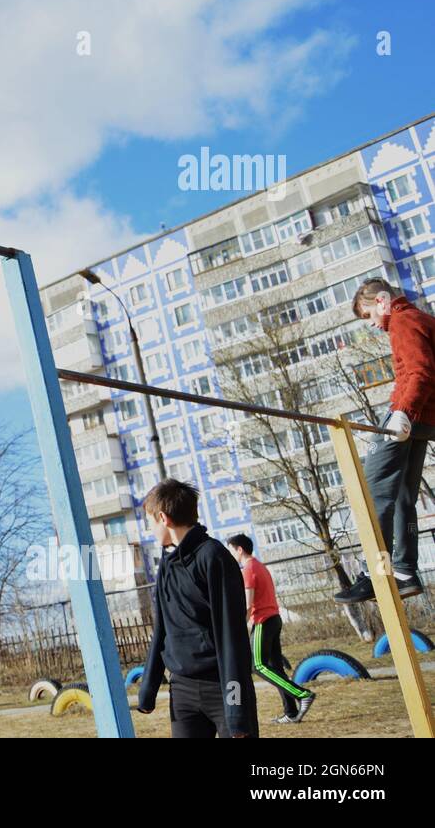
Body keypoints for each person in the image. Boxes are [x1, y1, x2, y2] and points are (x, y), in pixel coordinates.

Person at [334, 279, 431, 604]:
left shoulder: (402, 320)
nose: (374, 324)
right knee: (403, 494)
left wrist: (402, 412)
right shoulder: (421, 319)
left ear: (383, 300)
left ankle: (375, 571)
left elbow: (419, 372)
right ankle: (404, 571)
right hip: (425, 420)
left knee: (371, 489)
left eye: (369, 315)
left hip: (411, 415)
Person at [137, 479, 259, 738]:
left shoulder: (214, 557)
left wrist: (236, 707)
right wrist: (148, 686)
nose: (150, 530)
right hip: (182, 692)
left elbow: (232, 637)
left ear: (163, 518)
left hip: (223, 688)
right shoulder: (167, 567)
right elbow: (162, 630)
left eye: (150, 522)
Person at [226, 534, 314, 724]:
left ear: (239, 549)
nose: (230, 554)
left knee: (257, 666)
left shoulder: (248, 569)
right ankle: (290, 713)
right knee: (276, 668)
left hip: (263, 621)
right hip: (274, 619)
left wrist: (239, 629)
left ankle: (302, 694)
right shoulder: (259, 565)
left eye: (231, 550)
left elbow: (248, 605)